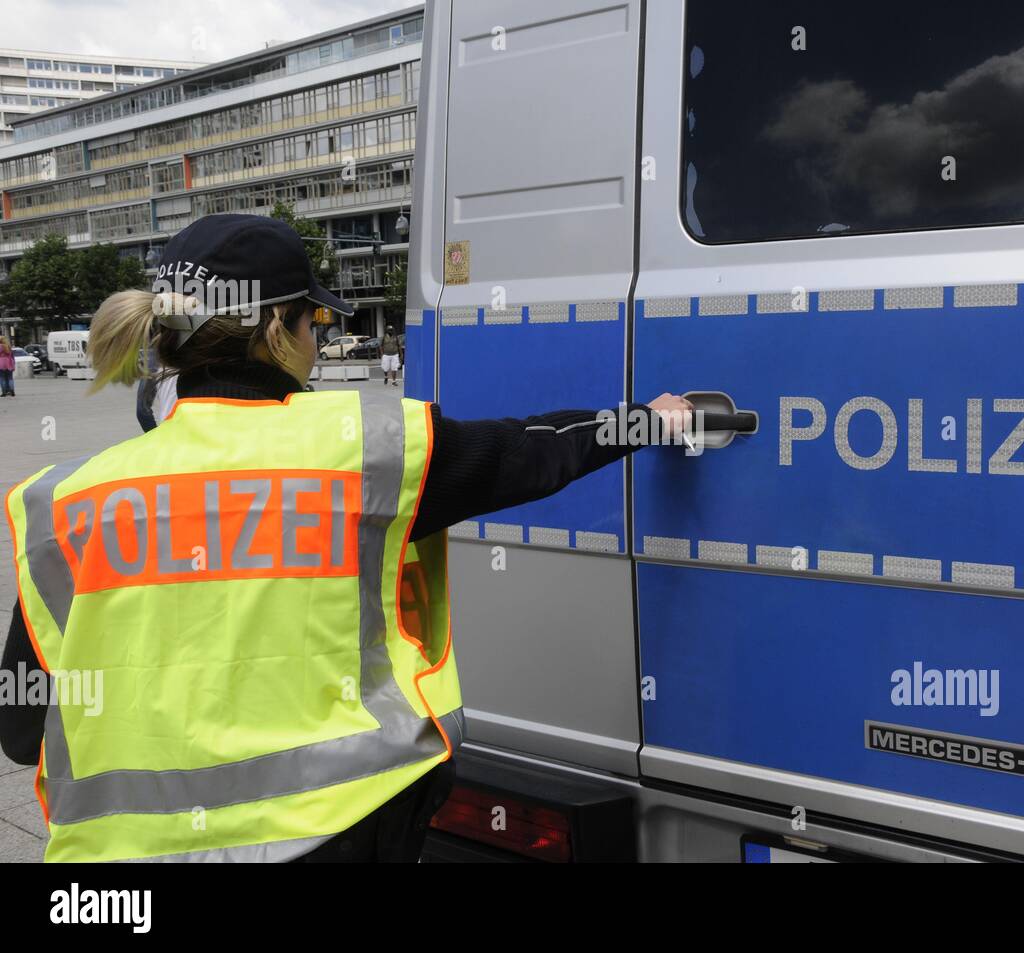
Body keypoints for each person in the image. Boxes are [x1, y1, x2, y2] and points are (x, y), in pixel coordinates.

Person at [0, 214, 691, 862]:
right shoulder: (367, 453)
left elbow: (21, 728)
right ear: (275, 329)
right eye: (314, 320)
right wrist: (645, 421)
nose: (319, 339)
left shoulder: (66, 503)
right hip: (323, 842)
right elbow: (530, 451)